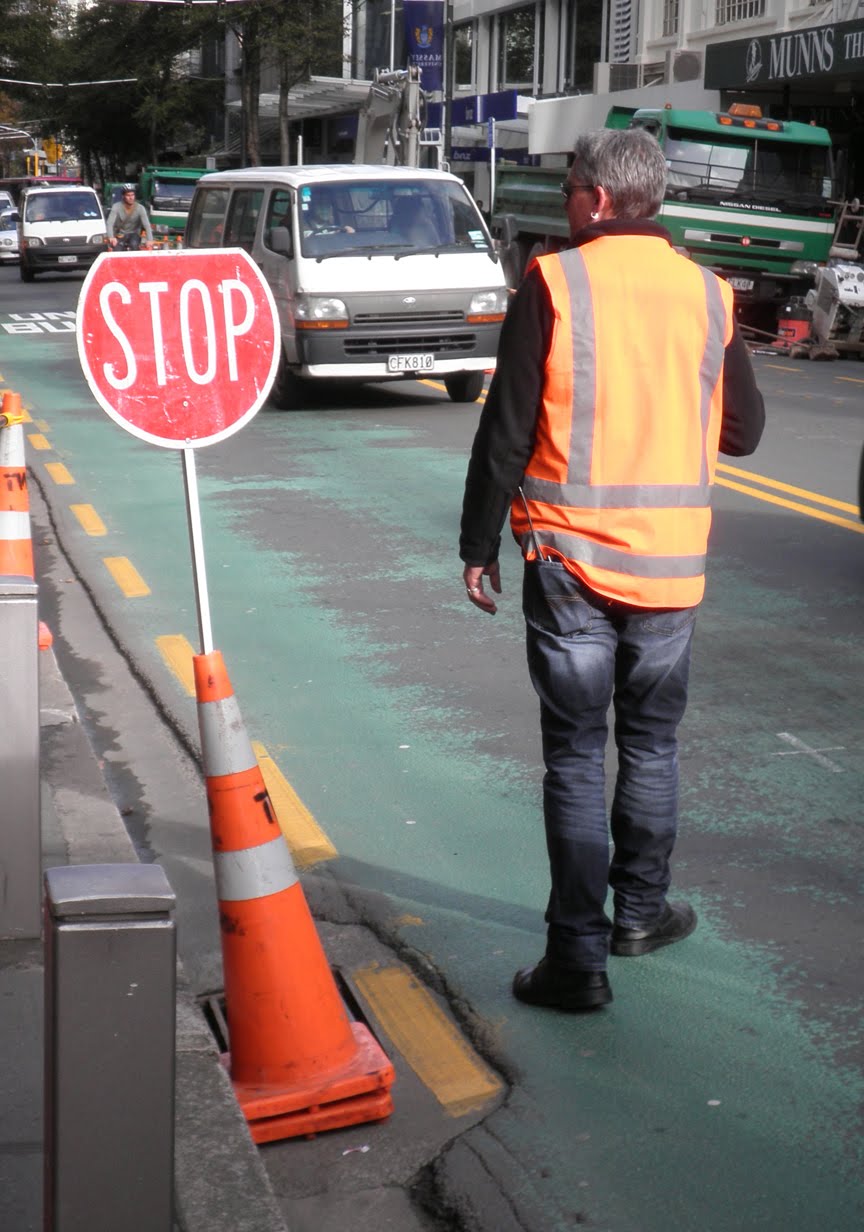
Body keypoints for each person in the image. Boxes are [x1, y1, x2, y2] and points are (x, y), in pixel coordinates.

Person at [459, 128, 765, 1013]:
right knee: (653, 746)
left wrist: (478, 547)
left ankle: (576, 959)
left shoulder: (554, 282)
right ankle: (639, 914)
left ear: (594, 197)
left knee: (575, 757)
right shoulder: (710, 294)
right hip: (670, 573)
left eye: (566, 193)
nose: (565, 208)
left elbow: (508, 429)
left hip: (568, 564)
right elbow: (741, 431)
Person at [106, 184, 152, 250]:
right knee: (116, 249)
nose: (131, 198)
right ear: (123, 196)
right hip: (120, 233)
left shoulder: (140, 208)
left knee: (134, 245)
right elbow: (109, 223)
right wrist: (111, 237)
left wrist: (149, 240)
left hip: (134, 233)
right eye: (128, 195)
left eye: (132, 195)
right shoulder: (116, 207)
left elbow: (147, 225)